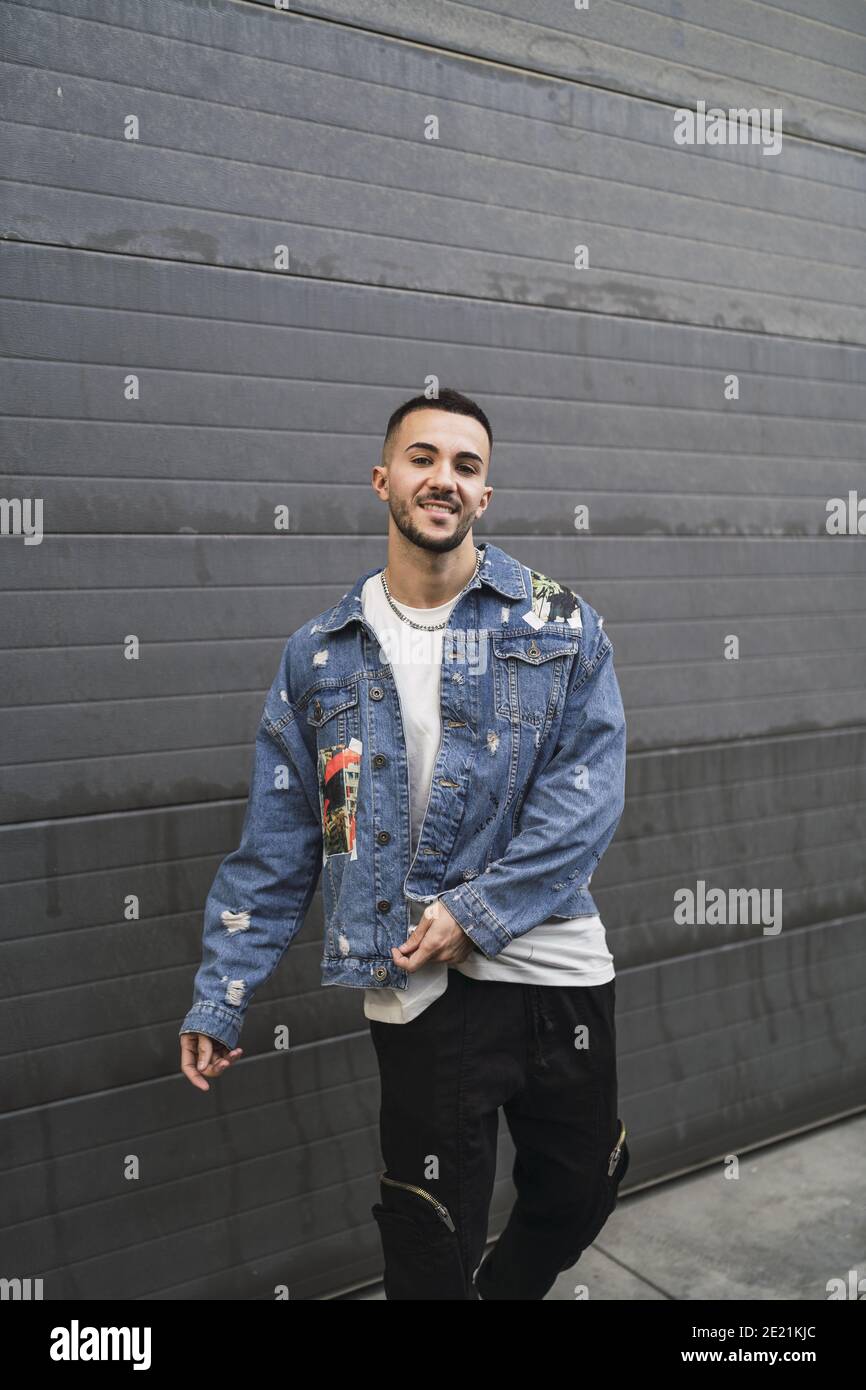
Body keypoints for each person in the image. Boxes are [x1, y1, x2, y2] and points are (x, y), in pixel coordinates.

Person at [179, 387, 629, 1299]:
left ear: (485, 496)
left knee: (584, 1186)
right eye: (424, 459)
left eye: (466, 466)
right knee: (429, 1236)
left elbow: (586, 801)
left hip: (554, 967)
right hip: (416, 986)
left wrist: (475, 912)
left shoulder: (559, 622)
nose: (444, 480)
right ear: (383, 478)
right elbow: (280, 843)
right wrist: (223, 995)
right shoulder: (319, 655)